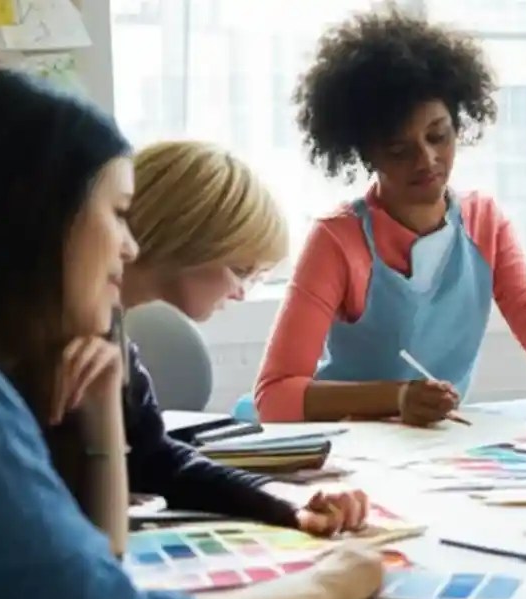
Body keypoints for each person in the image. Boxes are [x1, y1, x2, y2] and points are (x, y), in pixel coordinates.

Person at [0, 69, 383, 599]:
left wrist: (283, 504)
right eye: (118, 214)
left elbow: (108, 546)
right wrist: (325, 585)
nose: (130, 241)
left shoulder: (94, 342)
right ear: (40, 222)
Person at [254, 7, 526, 429]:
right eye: (400, 150)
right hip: (348, 447)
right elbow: (274, 396)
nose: (427, 159)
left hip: (436, 447)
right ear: (365, 153)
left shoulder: (485, 221)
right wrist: (397, 398)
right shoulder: (336, 239)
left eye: (439, 135)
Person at [118, 139, 367, 536]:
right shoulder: (55, 335)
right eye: (240, 269)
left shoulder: (112, 335)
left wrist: (283, 495)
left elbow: (156, 459)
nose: (240, 292)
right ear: (186, 238)